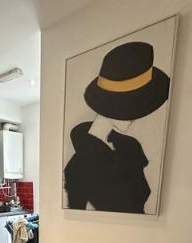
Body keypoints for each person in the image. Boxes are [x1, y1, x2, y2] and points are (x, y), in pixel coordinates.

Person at [64, 41, 170, 213]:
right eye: (130, 108)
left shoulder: (131, 147)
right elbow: (76, 212)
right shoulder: (77, 167)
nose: (134, 118)